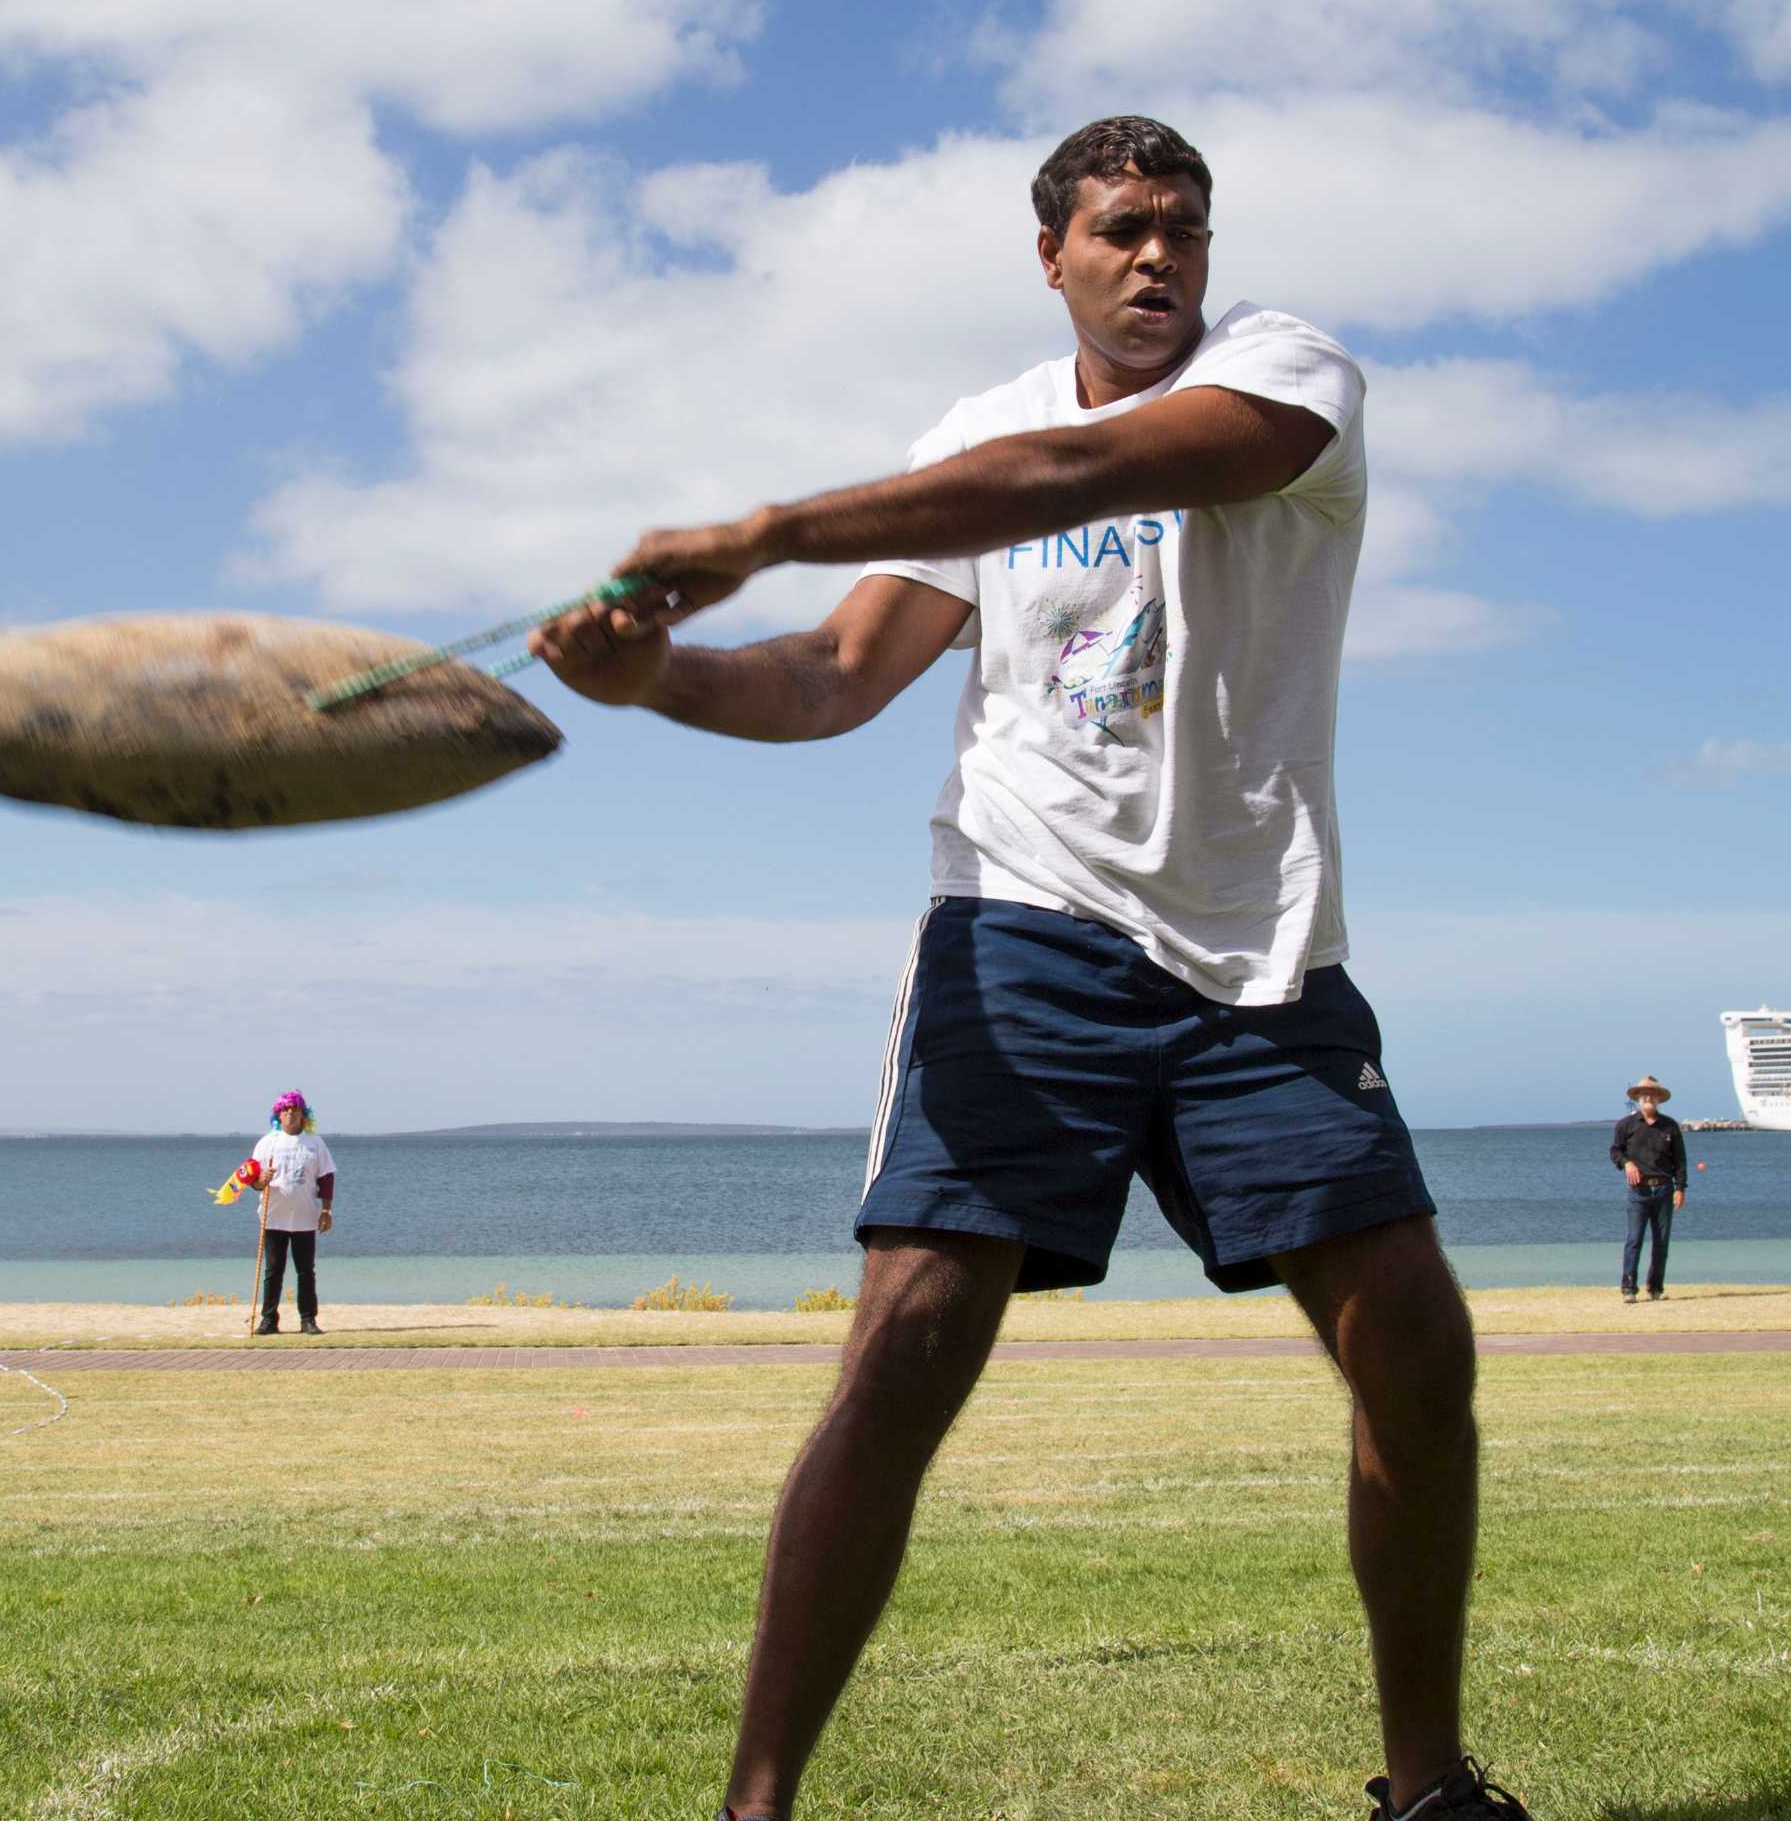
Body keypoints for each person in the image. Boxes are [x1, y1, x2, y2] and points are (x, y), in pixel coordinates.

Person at [528, 116, 1524, 1821]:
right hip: (1024, 926)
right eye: (1126, 230)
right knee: (908, 1344)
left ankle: (1428, 1789)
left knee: (1417, 1352)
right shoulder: (975, 434)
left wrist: (771, 520)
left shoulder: (1291, 376)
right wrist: (656, 681)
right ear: (1051, 252)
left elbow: (1088, 477)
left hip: (1259, 956)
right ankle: (755, 1808)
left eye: (1185, 232)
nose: (1160, 259)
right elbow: (834, 679)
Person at [250, 1089, 335, 1337]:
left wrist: (327, 1210)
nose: (290, 1113)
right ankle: (269, 1320)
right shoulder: (267, 1143)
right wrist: (260, 1180)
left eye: (294, 1109)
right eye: (285, 1109)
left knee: (306, 1270)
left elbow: (326, 1176)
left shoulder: (314, 1142)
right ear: (279, 1114)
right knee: (273, 1271)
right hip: (273, 1216)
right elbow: (252, 1178)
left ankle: (308, 1319)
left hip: (305, 1217)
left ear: (302, 1114)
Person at [1610, 1076, 1689, 1304]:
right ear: (1637, 1098)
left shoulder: (1670, 1126)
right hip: (1639, 1192)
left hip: (1664, 1190)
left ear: (1659, 1099)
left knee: (1661, 1241)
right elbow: (1615, 1151)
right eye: (1644, 1094)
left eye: (1653, 1094)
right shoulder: (1626, 1125)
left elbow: (1680, 1161)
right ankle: (1628, 1288)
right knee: (1634, 1239)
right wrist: (1627, 1163)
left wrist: (1680, 1188)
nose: (1648, 1098)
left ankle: (1655, 1287)